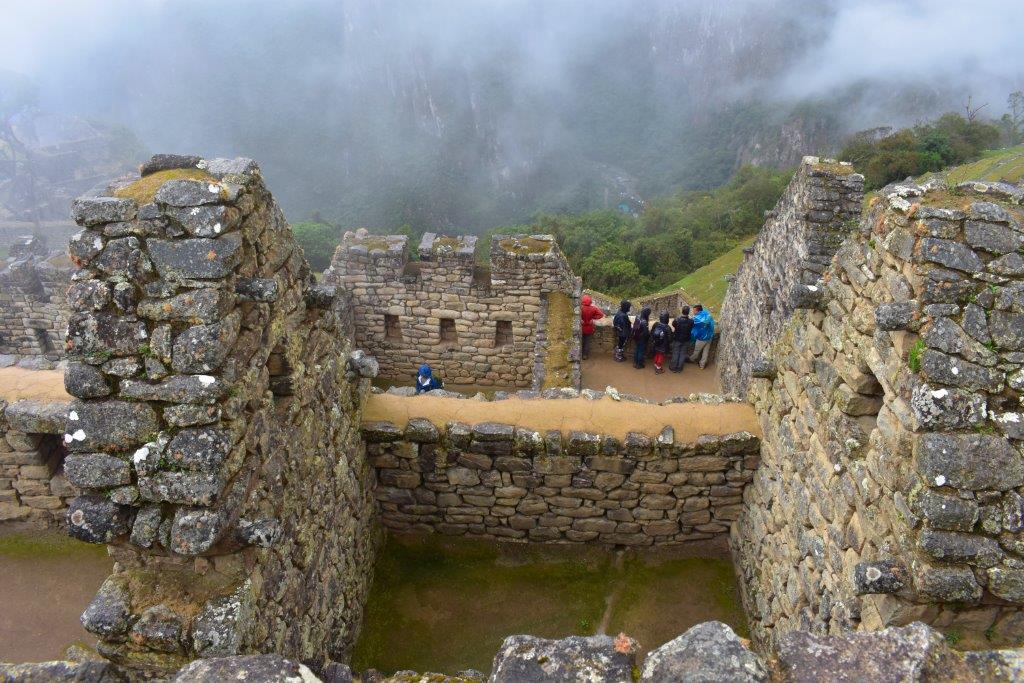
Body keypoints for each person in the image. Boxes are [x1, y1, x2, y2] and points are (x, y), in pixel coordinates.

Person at [689, 304, 715, 370]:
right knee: (706, 351)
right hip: (709, 336)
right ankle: (702, 365)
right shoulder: (706, 313)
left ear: (698, 311)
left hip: (702, 338)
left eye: (694, 311)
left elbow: (691, 324)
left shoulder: (697, 318)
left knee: (697, 351)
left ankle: (691, 359)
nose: (693, 312)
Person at [580, 294, 605, 361]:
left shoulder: (580, 308)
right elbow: (601, 314)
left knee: (580, 341)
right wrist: (593, 318)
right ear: (590, 301)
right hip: (589, 327)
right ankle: (585, 355)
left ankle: (579, 354)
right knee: (587, 342)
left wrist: (579, 319)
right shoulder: (593, 308)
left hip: (581, 327)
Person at [670, 306, 693, 373]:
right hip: (686, 339)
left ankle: (673, 367)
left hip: (677, 338)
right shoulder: (691, 321)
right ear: (688, 312)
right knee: (683, 354)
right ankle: (679, 368)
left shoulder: (677, 320)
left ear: (682, 311)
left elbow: (673, 325)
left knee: (675, 353)